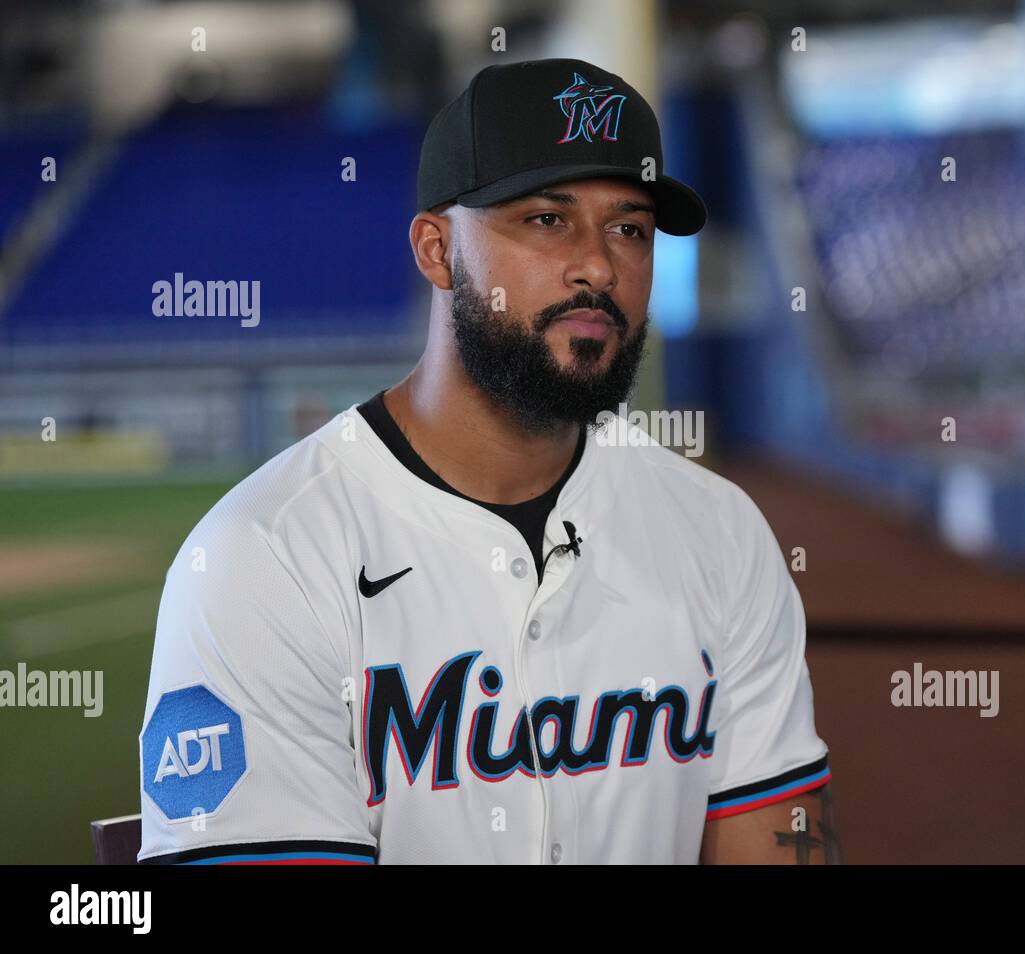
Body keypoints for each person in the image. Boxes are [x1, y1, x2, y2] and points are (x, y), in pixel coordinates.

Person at [137, 57, 837, 864]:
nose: (599, 266)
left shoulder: (721, 531)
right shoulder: (265, 557)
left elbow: (780, 843)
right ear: (437, 251)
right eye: (546, 219)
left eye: (630, 228)